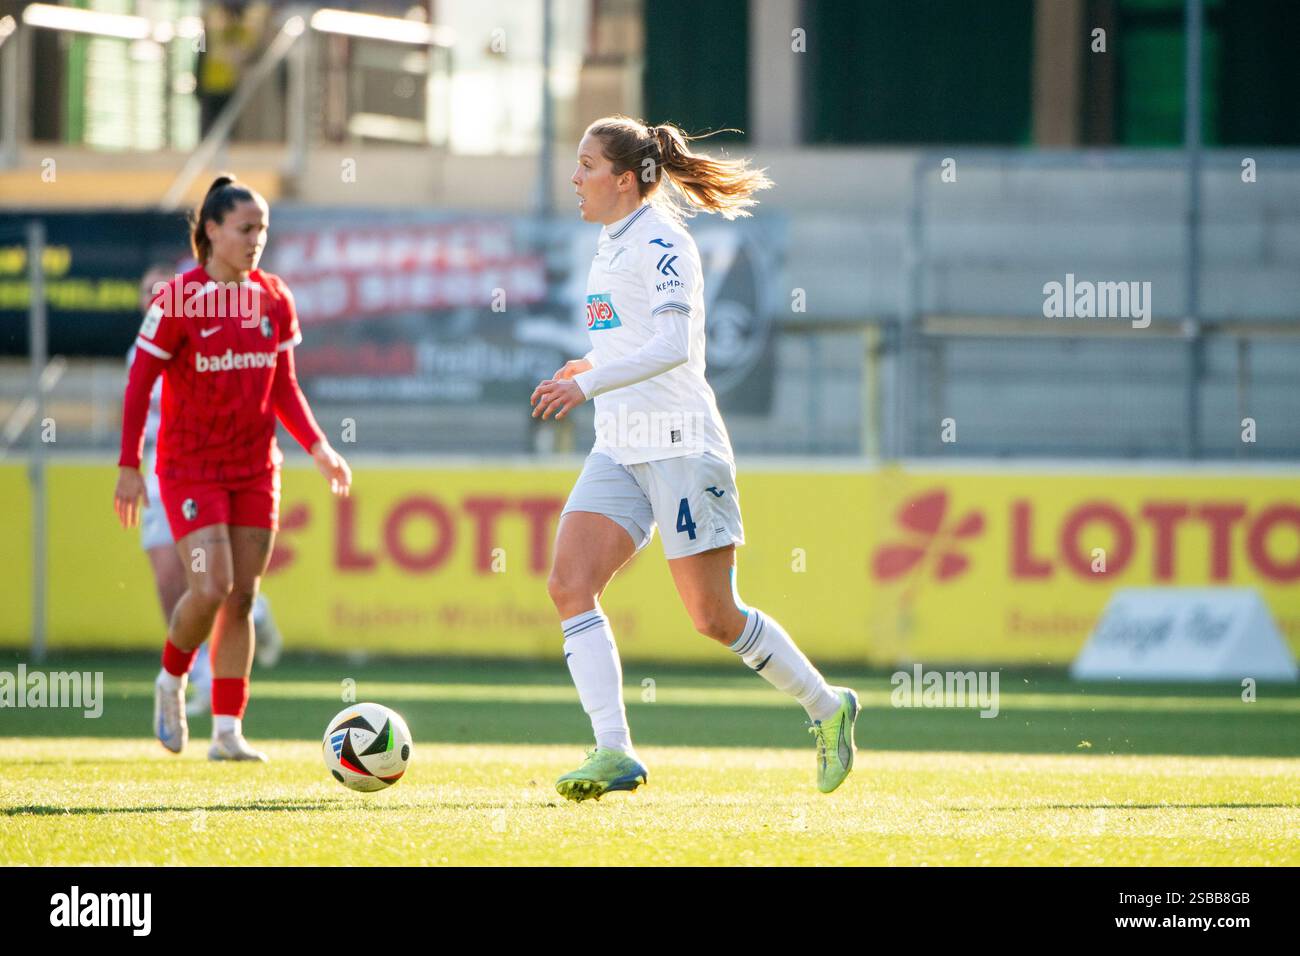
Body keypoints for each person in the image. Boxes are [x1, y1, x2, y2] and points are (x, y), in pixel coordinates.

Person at [531, 116, 860, 802]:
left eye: (587, 165)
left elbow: (676, 346)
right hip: (621, 445)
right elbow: (632, 346)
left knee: (713, 617)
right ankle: (614, 750)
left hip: (682, 443)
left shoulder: (664, 242)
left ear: (625, 179)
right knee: (569, 583)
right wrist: (590, 363)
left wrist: (585, 382)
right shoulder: (607, 242)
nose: (576, 178)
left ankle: (828, 708)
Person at [115, 175, 352, 761]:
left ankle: (227, 732)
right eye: (246, 229)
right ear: (212, 230)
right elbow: (139, 379)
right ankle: (170, 682)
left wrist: (318, 447)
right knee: (210, 585)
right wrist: (128, 465)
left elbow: (285, 387)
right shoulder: (179, 298)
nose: (256, 240)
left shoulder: (273, 296)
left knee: (243, 597)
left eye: (263, 229)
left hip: (255, 469)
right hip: (190, 468)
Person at [128, 264, 286, 720]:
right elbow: (136, 407)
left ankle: (250, 622)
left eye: (158, 289)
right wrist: (129, 466)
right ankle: (192, 677)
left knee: (215, 585)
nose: (151, 296)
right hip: (162, 477)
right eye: (145, 289)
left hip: (200, 469)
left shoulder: (203, 333)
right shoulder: (137, 352)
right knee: (171, 578)